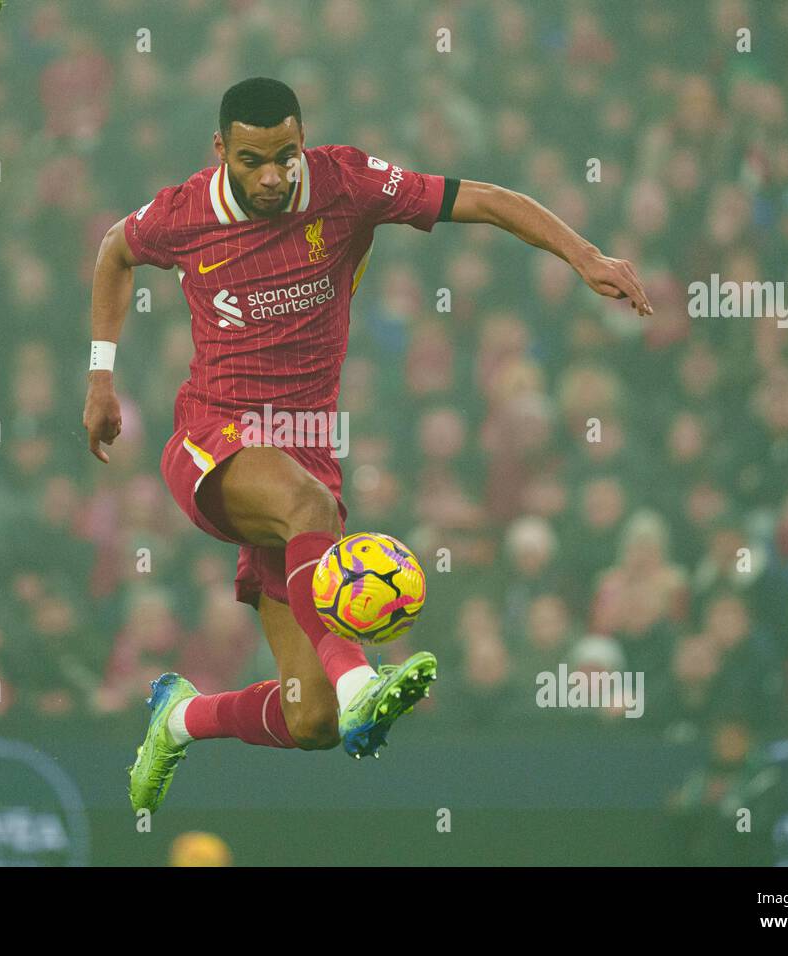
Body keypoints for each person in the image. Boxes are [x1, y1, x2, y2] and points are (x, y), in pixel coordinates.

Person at [83, 77, 653, 813]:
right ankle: (362, 686)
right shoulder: (185, 212)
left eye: (285, 155)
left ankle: (180, 718)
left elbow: (480, 198)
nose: (271, 175)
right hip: (212, 439)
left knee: (309, 720)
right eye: (252, 159)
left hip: (305, 458)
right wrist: (101, 379)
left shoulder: (347, 181)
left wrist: (585, 256)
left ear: (302, 140)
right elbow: (112, 250)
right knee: (307, 509)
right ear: (221, 149)